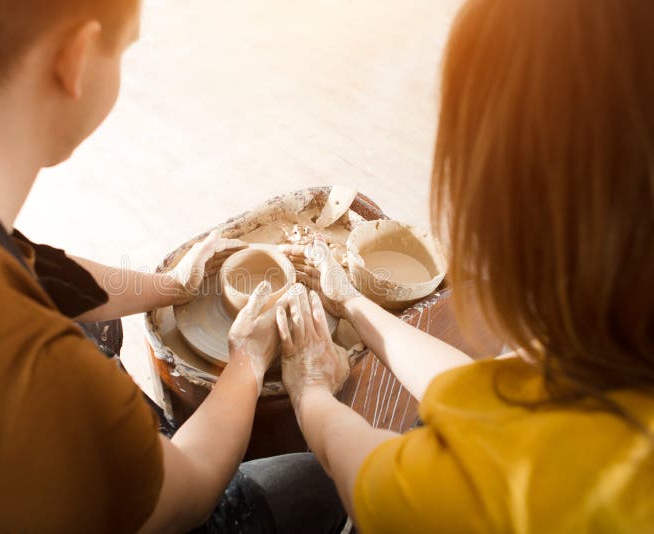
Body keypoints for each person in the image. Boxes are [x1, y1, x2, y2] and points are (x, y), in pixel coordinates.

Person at [0, 0, 345, 532]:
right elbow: (186, 492)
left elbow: (40, 267)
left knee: (97, 319)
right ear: (76, 59)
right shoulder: (33, 368)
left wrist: (171, 286)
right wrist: (248, 359)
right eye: (123, 52)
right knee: (317, 482)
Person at [278, 0, 654, 531]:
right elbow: (485, 395)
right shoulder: (606, 362)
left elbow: (364, 475)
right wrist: (353, 303)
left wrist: (310, 390)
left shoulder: (493, 480)